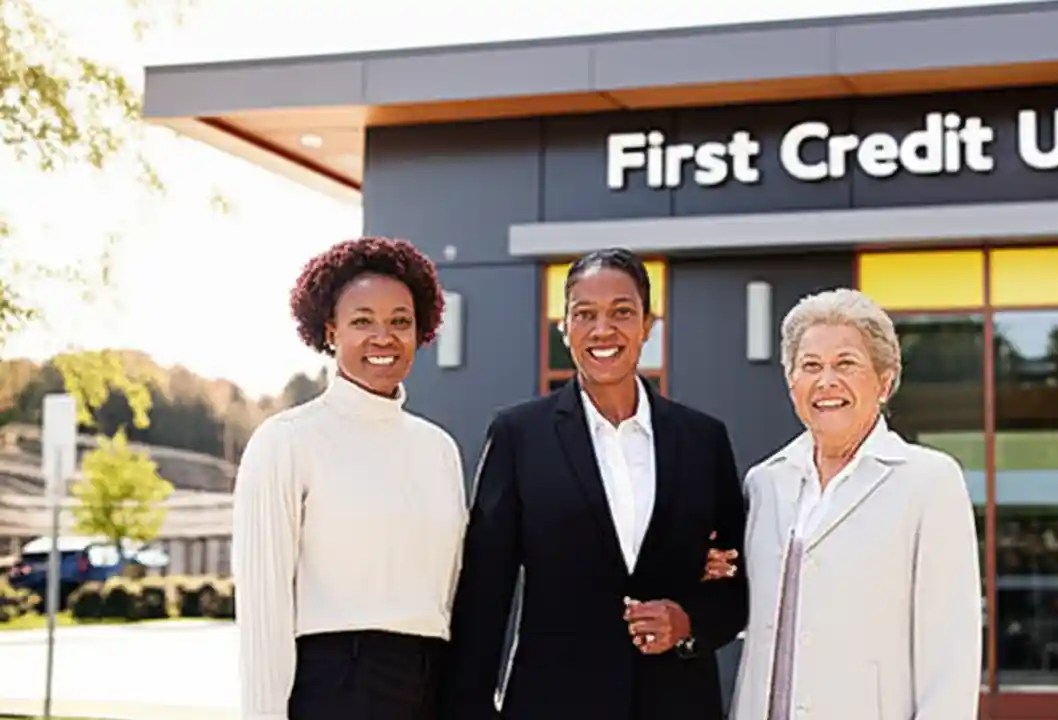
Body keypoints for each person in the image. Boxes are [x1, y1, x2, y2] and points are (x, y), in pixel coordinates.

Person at [441, 248, 748, 720]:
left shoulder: (703, 440)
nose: (603, 330)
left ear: (648, 324)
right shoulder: (520, 436)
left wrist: (688, 622)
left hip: (677, 704)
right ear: (565, 326)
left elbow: (736, 585)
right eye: (585, 314)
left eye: (622, 313)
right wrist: (471, 708)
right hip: (551, 704)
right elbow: (485, 593)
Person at [706, 287, 982, 720]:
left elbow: (951, 655)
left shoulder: (929, 482)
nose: (826, 381)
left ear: (885, 380)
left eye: (846, 364)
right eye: (810, 365)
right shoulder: (764, 483)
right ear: (791, 382)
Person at [231, 236, 468, 720]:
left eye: (400, 322)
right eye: (362, 321)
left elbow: (451, 594)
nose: (383, 337)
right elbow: (263, 614)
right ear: (330, 330)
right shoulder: (286, 442)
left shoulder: (439, 449)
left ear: (421, 331)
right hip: (334, 690)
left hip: (431, 684)